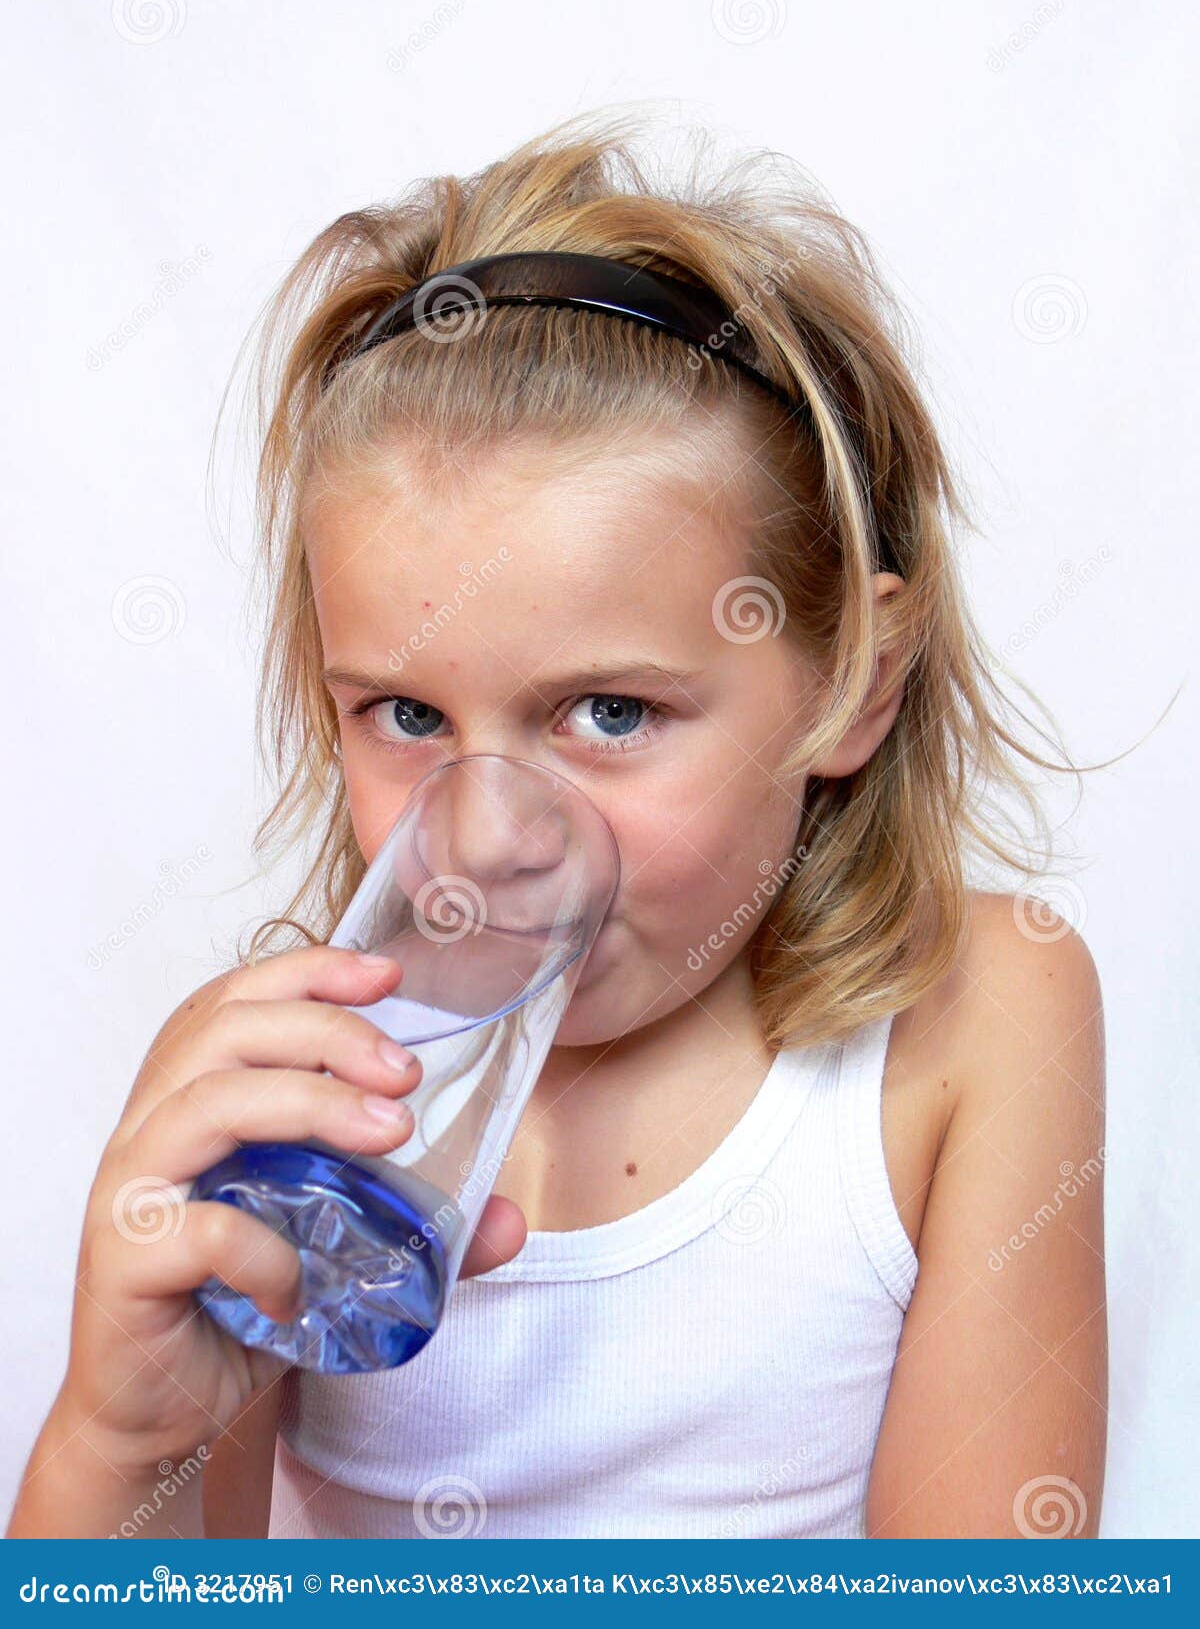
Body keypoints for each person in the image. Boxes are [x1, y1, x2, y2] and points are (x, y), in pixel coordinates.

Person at [8, 108, 1108, 1541]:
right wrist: (127, 1433)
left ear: (852, 684)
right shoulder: (289, 1090)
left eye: (608, 712)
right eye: (405, 716)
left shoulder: (970, 1020)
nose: (492, 838)